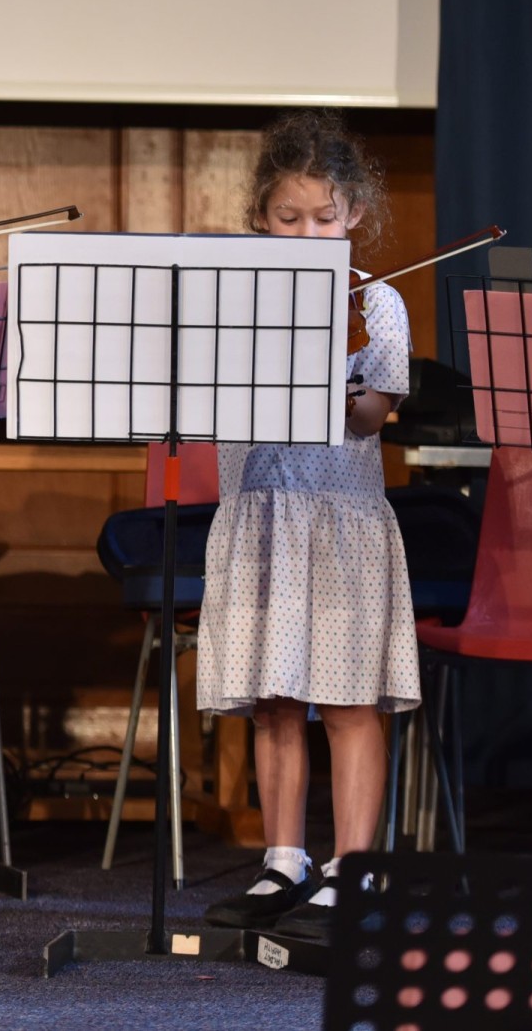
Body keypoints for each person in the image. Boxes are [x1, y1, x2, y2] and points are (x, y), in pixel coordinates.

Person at [196, 110, 419, 941]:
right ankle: (282, 858)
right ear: (260, 217)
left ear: (354, 215)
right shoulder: (233, 301)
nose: (308, 233)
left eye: (325, 219)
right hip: (259, 515)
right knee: (275, 700)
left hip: (340, 522)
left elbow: (370, 418)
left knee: (350, 703)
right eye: (289, 219)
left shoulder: (378, 306)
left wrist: (325, 382)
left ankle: (352, 869)